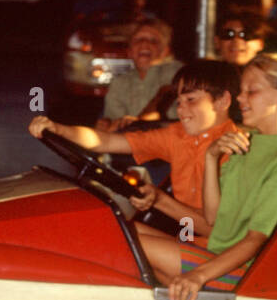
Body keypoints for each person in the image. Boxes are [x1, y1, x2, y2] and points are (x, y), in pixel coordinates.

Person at [141, 53, 277, 300]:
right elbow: (213, 218)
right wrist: (211, 157)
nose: (240, 98)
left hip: (244, 272)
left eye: (252, 91)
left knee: (122, 242)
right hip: (217, 253)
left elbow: (255, 241)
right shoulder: (246, 141)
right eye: (242, 91)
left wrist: (198, 276)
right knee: (119, 228)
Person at [30, 59, 239, 238]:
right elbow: (107, 142)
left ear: (222, 101)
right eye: (179, 101)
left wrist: (159, 200)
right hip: (187, 235)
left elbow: (218, 231)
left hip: (220, 253)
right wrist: (57, 129)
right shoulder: (178, 136)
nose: (181, 109)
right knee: (102, 228)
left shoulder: (239, 149)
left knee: (114, 242)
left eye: (191, 100)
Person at [98, 18, 183, 130]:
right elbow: (114, 122)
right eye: (138, 40)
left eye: (153, 41)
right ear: (129, 51)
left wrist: (139, 122)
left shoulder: (177, 71)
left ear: (165, 51)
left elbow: (164, 93)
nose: (144, 44)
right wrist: (107, 125)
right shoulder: (120, 83)